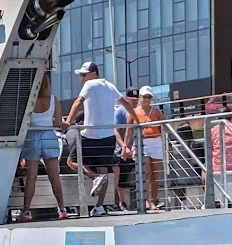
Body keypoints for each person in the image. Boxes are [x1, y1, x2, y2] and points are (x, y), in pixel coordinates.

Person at [65, 61, 129, 216]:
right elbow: (125, 103)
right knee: (103, 170)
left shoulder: (90, 84)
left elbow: (78, 102)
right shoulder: (110, 86)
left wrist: (67, 121)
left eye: (84, 75)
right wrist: (137, 120)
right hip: (108, 136)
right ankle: (99, 206)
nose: (82, 78)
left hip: (90, 134)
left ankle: (94, 178)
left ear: (93, 73)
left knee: (71, 161)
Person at [15, 77, 69, 221]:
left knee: (31, 177)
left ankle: (26, 211)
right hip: (49, 136)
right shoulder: (53, 100)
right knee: (54, 177)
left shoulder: (28, 100)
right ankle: (62, 209)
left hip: (32, 137)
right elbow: (58, 123)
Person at [134, 88, 166, 212]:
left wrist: (168, 144)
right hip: (142, 143)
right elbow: (129, 130)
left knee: (156, 174)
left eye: (149, 97)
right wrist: (125, 145)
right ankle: (147, 200)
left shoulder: (157, 111)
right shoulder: (134, 112)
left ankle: (153, 200)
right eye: (144, 97)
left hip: (156, 142)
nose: (147, 99)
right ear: (140, 97)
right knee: (147, 172)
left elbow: (163, 127)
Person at [113, 88, 138, 212]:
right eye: (132, 100)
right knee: (122, 178)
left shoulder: (138, 111)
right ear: (126, 99)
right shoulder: (120, 111)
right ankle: (121, 202)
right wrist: (124, 146)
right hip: (122, 150)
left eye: (136, 100)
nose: (135, 102)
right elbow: (115, 131)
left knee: (138, 176)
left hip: (136, 149)